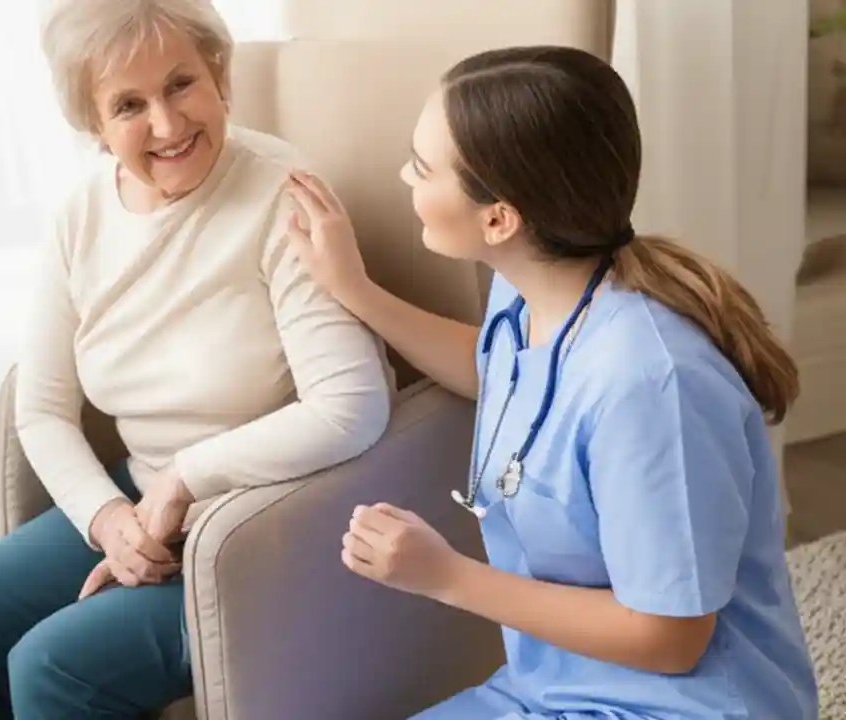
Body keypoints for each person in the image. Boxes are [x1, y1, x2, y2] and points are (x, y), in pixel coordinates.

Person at [0, 1, 392, 717]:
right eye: (129, 104)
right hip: (141, 497)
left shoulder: (282, 194)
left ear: (219, 73)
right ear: (94, 123)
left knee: (53, 667)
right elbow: (42, 406)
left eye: (181, 83)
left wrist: (184, 480)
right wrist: (108, 520)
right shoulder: (81, 217)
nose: (166, 124)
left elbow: (352, 407)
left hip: (267, 516)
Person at [286, 45, 819, 719]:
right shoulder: (533, 289)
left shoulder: (651, 385)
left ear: (499, 218)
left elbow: (673, 637)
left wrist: (445, 576)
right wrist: (354, 291)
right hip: (555, 689)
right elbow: (506, 375)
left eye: (422, 168)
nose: (404, 176)